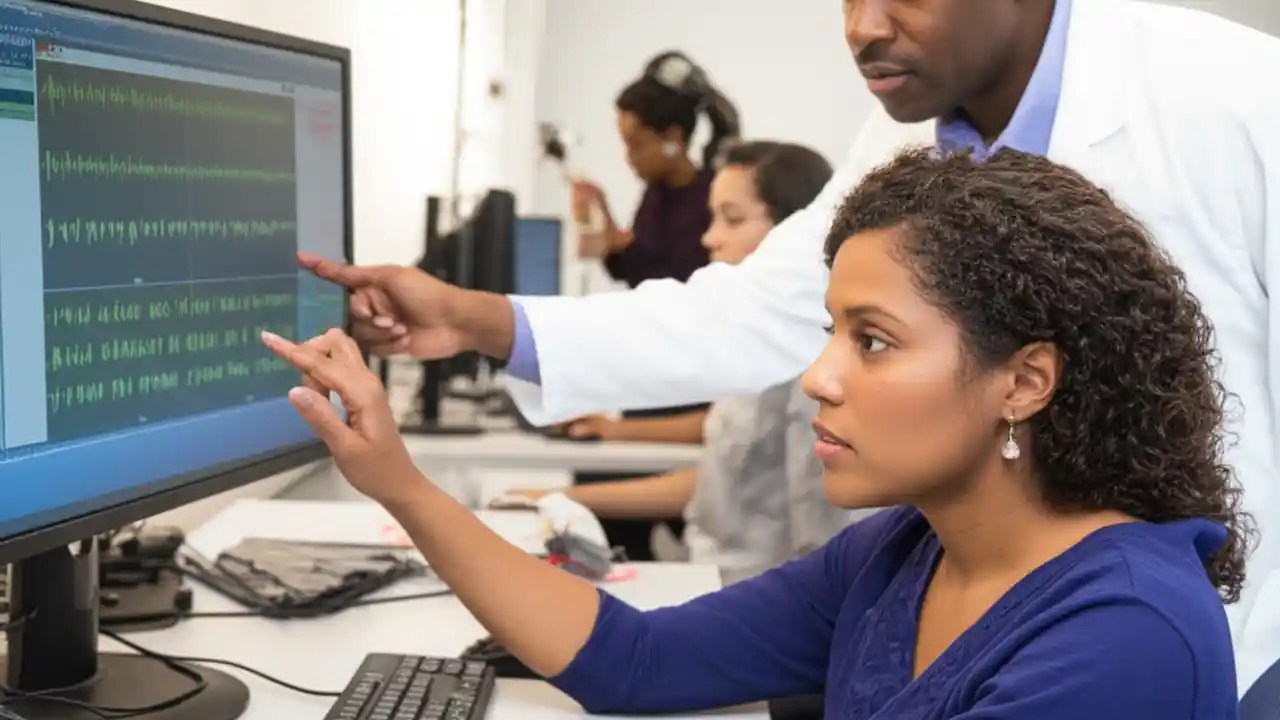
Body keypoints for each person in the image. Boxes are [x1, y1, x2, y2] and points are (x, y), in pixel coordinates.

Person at [299, 0, 1280, 689]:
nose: (859, 26)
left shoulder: (1231, 93)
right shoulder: (890, 563)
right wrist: (470, 329)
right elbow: (754, 312)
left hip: (1214, 639)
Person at [511, 141, 853, 583]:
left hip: (749, 593)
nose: (709, 238)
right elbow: (722, 472)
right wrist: (566, 486)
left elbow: (821, 546)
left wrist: (559, 495)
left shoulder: (812, 367)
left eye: (731, 219)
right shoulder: (751, 348)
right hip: (706, 570)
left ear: (795, 236)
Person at [573, 50, 740, 288]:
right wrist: (602, 216)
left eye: (637, 145)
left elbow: (670, 282)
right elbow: (627, 266)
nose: (629, 157)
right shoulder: (658, 192)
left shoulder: (709, 200)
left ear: (674, 138)